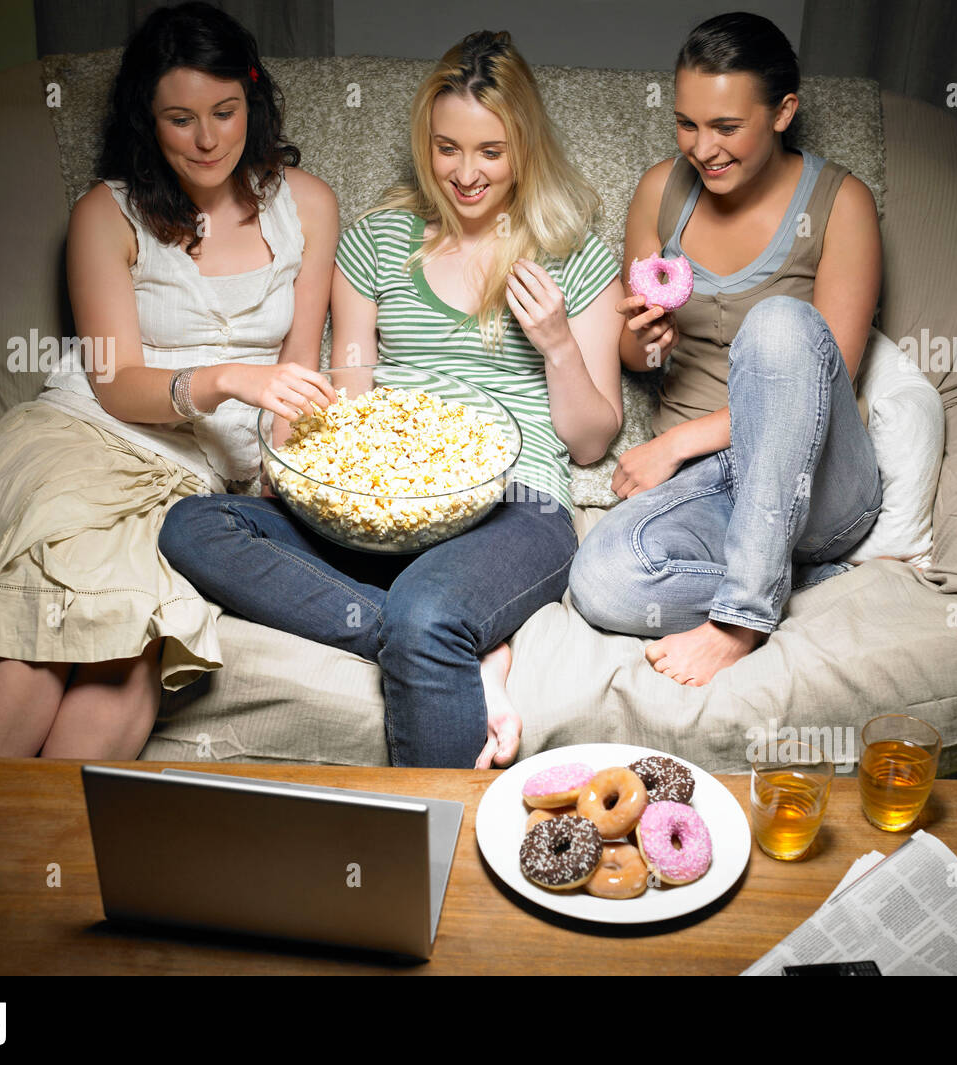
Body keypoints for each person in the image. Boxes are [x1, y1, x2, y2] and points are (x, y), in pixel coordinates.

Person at [159, 30, 623, 770]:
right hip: (389, 507)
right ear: (424, 142)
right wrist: (314, 469)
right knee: (192, 526)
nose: (466, 174)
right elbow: (353, 398)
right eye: (447, 148)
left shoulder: (577, 258)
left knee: (428, 611)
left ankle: (438, 661)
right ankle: (461, 649)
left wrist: (558, 343)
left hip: (516, 506)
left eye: (490, 153)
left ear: (524, 148)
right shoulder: (375, 243)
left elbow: (592, 440)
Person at [0, 2, 339, 758]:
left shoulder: (308, 205)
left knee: (133, 643)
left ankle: (44, 865)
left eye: (226, 110)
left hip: (194, 483)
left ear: (254, 97)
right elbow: (115, 382)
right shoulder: (104, 214)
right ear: (146, 120)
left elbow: (300, 370)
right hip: (90, 437)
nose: (209, 138)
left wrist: (280, 480)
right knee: (48, 608)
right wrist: (227, 379)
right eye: (181, 118)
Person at [568, 12, 884, 687]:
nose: (702, 148)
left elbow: (825, 384)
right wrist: (649, 342)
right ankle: (799, 580)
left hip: (816, 475)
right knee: (602, 578)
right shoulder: (661, 192)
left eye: (725, 127)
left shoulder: (841, 204)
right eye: (687, 123)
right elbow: (634, 359)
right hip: (711, 490)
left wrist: (676, 443)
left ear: (783, 112)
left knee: (778, 324)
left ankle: (742, 618)